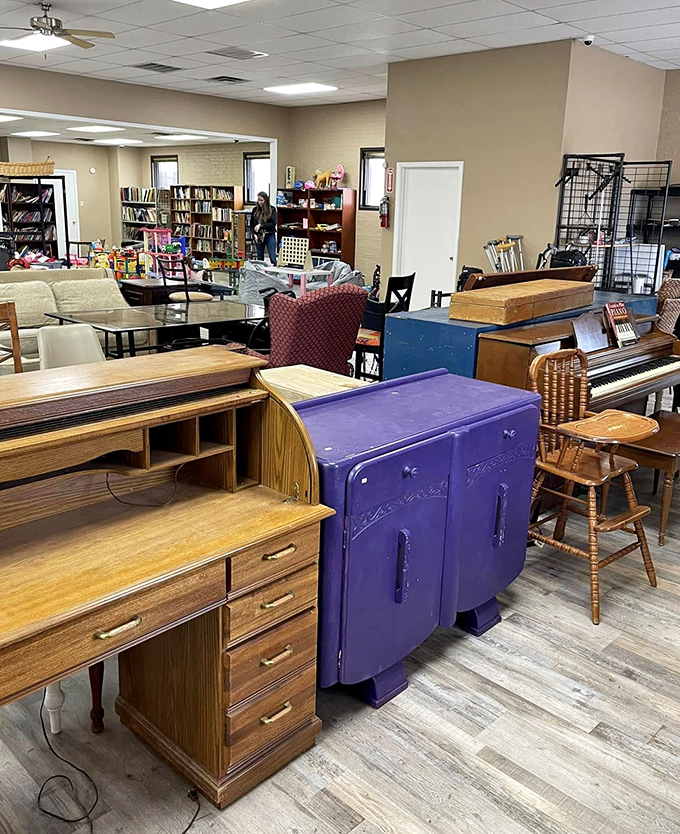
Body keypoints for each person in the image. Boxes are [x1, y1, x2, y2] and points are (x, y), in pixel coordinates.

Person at [251, 191, 277, 266]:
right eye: (258, 200)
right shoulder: (255, 210)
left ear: (266, 200)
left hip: (269, 234)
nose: (260, 202)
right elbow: (252, 225)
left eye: (262, 200)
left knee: (272, 256)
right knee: (260, 257)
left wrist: (261, 225)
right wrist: (254, 235)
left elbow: (273, 224)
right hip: (258, 236)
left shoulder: (272, 209)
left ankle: (274, 272)